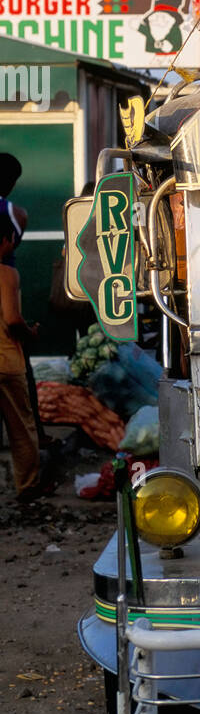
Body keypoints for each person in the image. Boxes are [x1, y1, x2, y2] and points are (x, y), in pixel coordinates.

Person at [0, 212, 41, 499]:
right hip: (6, 362)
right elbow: (13, 319)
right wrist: (31, 334)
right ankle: (27, 486)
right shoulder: (6, 273)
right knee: (21, 428)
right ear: (6, 239)